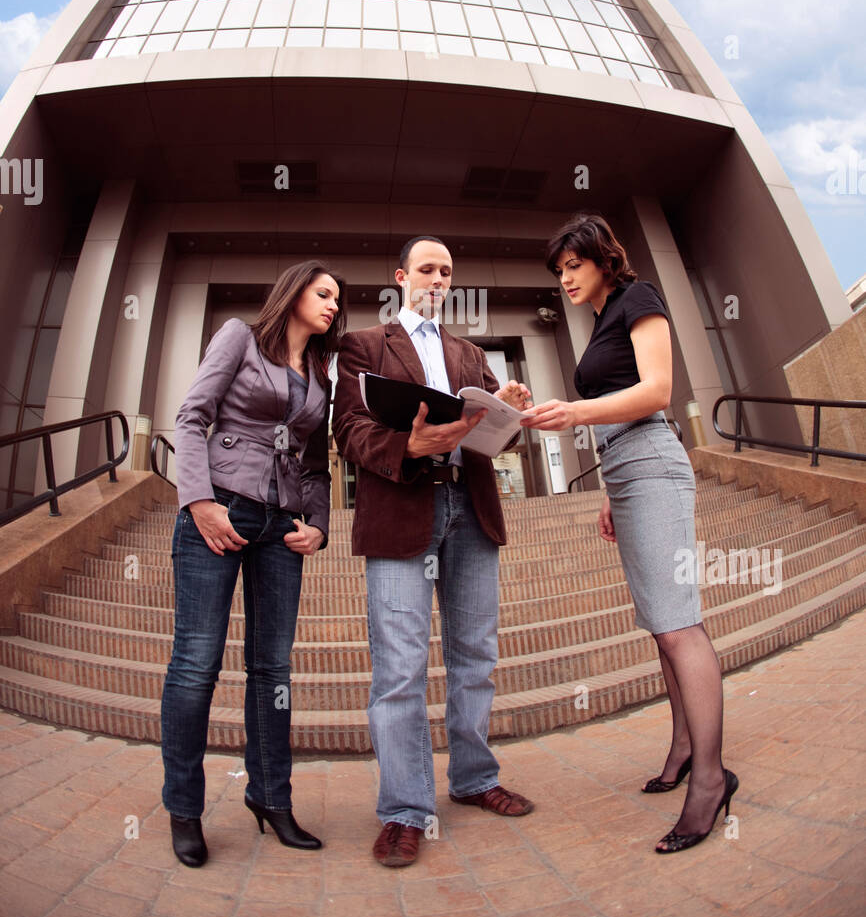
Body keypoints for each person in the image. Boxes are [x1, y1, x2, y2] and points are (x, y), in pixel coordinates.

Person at [520, 213, 737, 854]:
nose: (564, 280)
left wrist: (574, 411)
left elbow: (658, 390)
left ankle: (711, 778)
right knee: (658, 625)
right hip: (627, 471)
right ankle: (680, 750)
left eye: (572, 266)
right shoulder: (600, 319)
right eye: (558, 271)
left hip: (652, 463)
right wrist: (612, 494)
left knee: (678, 622)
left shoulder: (639, 298)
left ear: (602, 260)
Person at [332, 236, 535, 868]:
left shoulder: (472, 355)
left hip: (470, 510)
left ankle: (474, 779)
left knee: (476, 652)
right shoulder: (364, 345)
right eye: (427, 269)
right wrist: (409, 448)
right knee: (400, 667)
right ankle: (403, 810)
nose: (438, 279)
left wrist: (513, 414)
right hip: (402, 510)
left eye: (447, 271)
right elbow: (349, 430)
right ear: (401, 277)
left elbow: (503, 439)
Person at [160, 261, 345, 867]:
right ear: (292, 294)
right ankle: (183, 810)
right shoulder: (239, 335)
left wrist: (317, 525)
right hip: (219, 512)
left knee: (273, 669)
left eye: (337, 300)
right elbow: (191, 417)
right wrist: (199, 501)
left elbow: (318, 465)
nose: (332, 307)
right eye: (323, 294)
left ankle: (271, 798)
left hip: (279, 528)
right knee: (196, 664)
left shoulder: (321, 374)